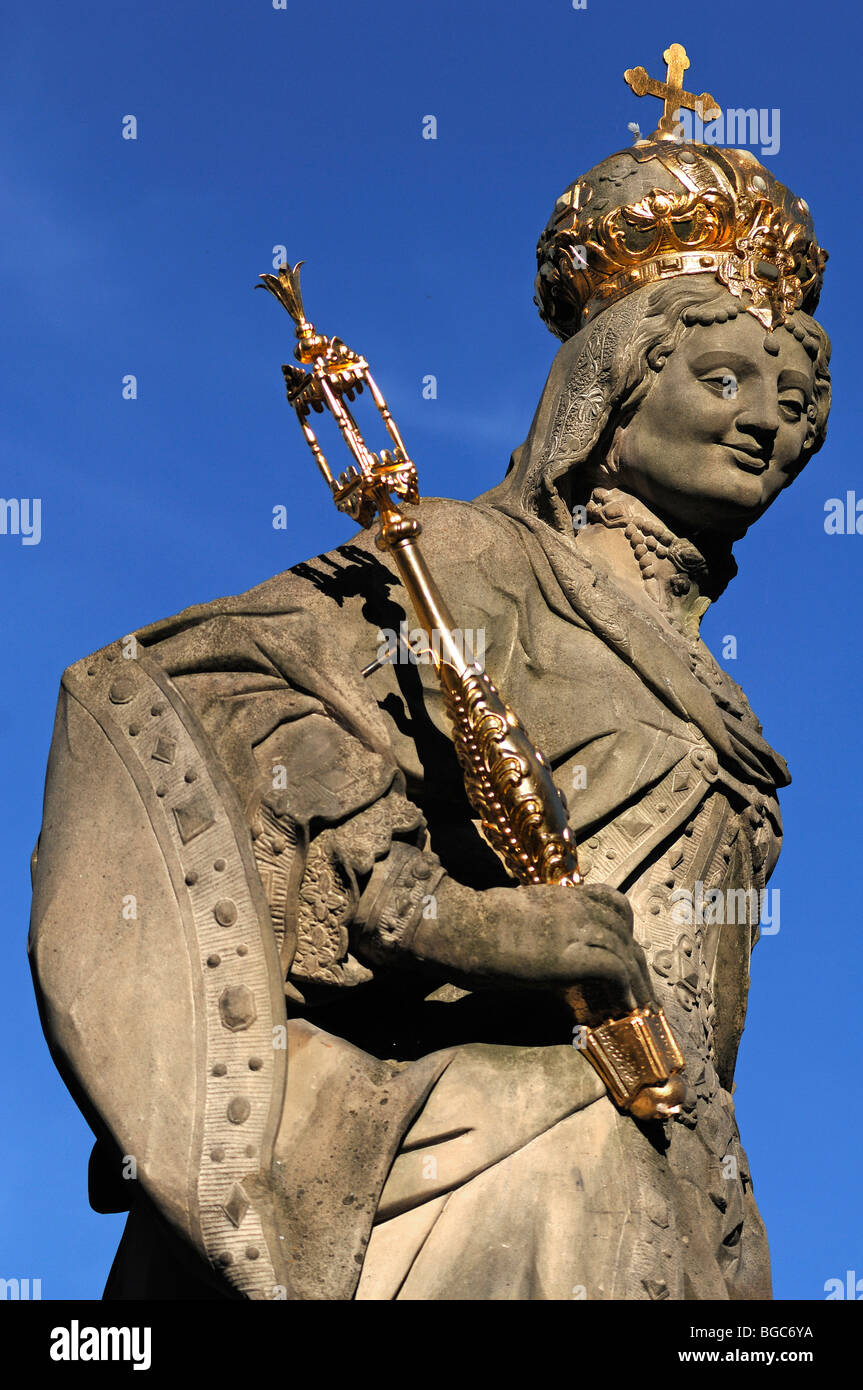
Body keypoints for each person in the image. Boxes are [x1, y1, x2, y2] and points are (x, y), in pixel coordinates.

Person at [29, 109, 830, 1301]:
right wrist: (440, 914)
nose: (769, 419)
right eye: (723, 378)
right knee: (586, 1168)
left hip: (681, 1159)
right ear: (613, 385)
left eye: (803, 398)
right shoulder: (464, 557)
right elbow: (213, 694)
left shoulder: (723, 700)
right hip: (497, 1134)